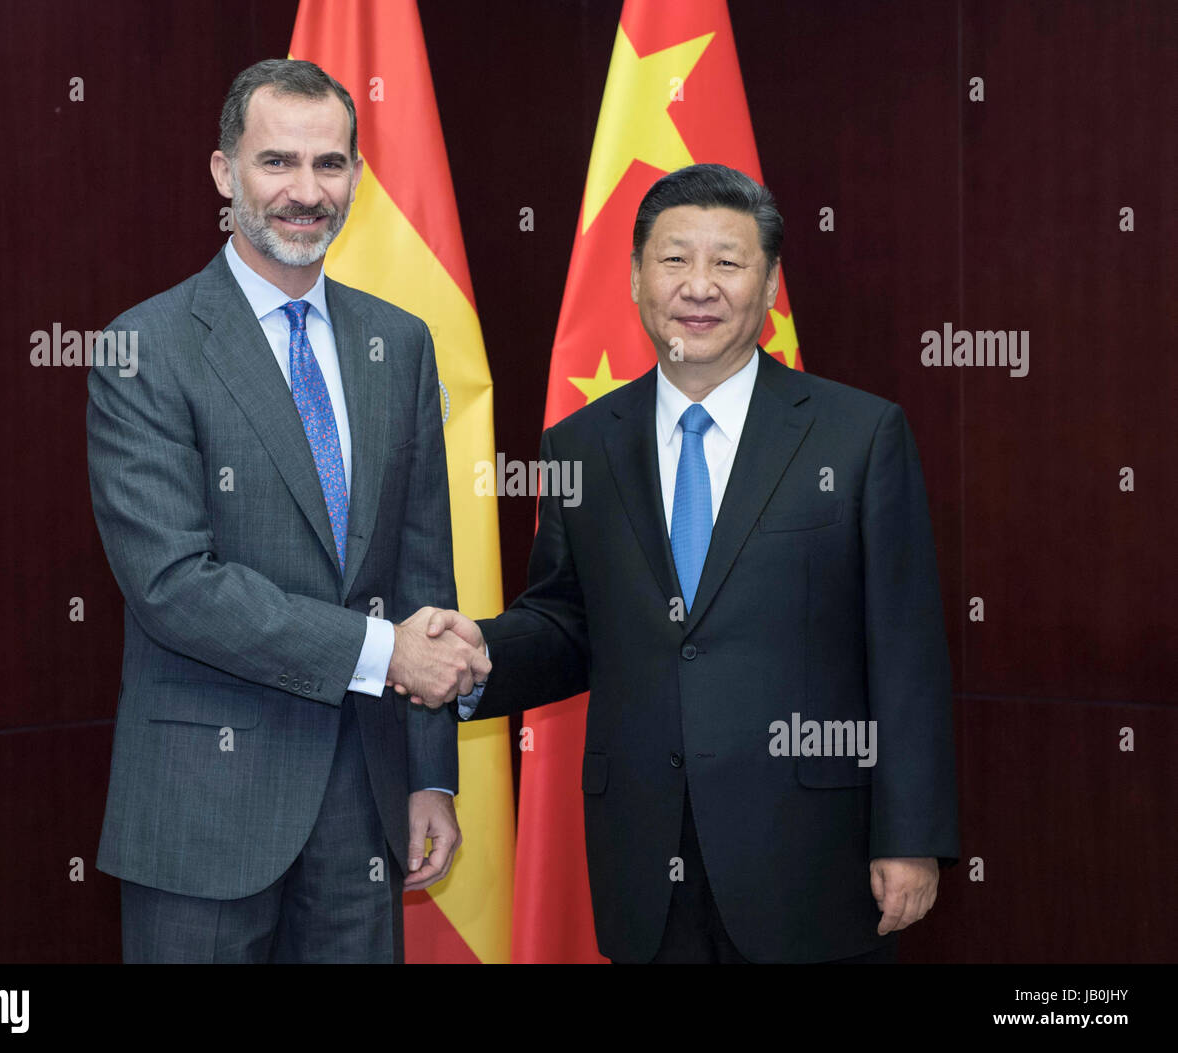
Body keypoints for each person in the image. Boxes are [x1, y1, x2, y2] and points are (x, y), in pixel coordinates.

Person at [409, 164, 960, 963]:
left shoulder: (859, 436)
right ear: (636, 277)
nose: (698, 286)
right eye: (674, 260)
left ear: (769, 285)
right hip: (646, 857)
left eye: (728, 263)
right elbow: (567, 622)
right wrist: (478, 655)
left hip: (813, 860)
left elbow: (907, 655)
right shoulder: (582, 442)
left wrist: (911, 837)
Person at [86, 58, 489, 964]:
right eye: (277, 163)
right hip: (203, 813)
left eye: (331, 165)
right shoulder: (142, 348)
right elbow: (174, 586)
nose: (307, 192)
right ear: (225, 173)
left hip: (367, 806)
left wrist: (432, 776)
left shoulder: (402, 342)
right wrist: (387, 655)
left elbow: (424, 569)